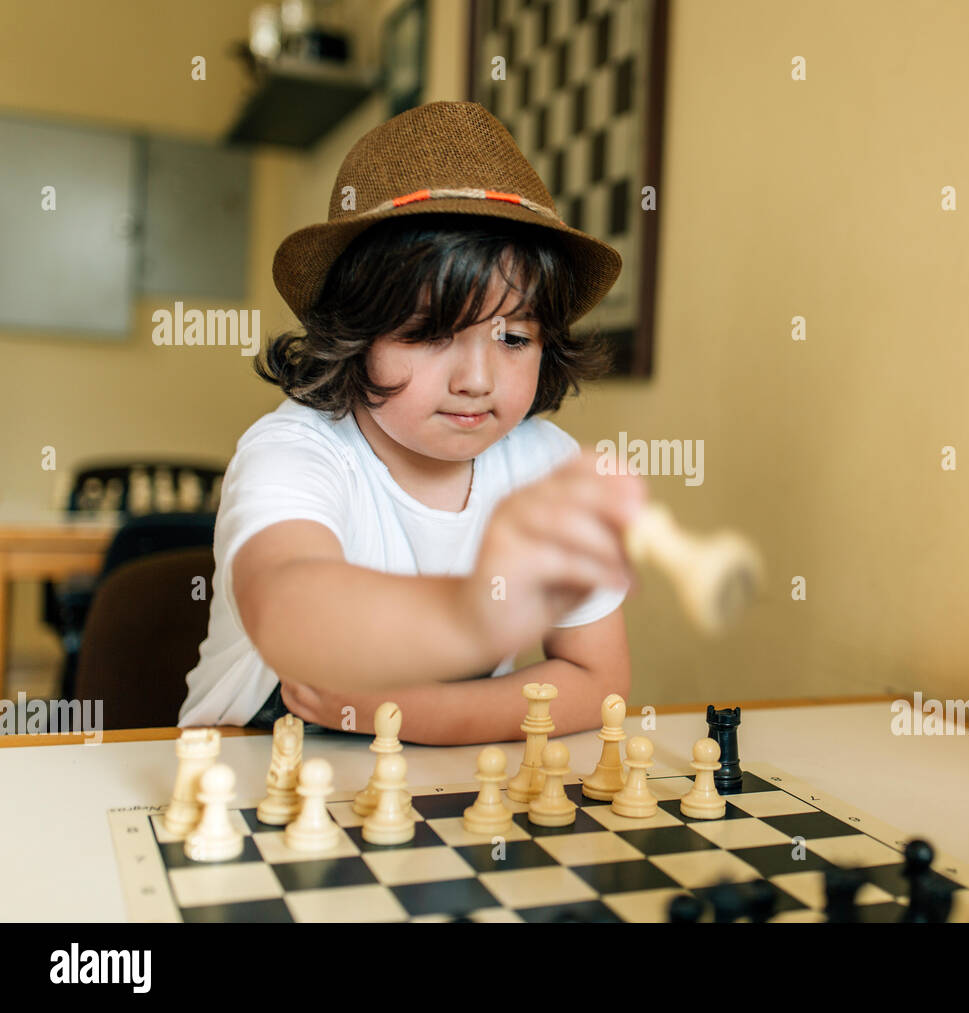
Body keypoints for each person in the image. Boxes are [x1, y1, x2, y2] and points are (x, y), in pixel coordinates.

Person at [177, 101, 646, 744]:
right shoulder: (294, 450)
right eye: (429, 334)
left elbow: (598, 681)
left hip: (432, 775)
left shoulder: (547, 466)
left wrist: (398, 710)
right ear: (353, 333)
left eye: (513, 338)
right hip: (254, 767)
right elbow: (292, 615)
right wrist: (478, 612)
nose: (475, 379)